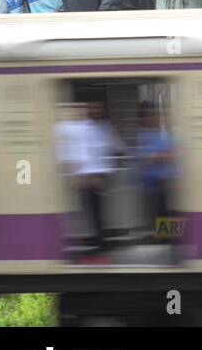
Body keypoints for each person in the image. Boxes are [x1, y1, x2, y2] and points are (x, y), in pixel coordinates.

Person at [54, 100, 125, 262]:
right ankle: (97, 239)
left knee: (94, 210)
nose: (86, 112)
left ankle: (100, 241)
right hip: (90, 174)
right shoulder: (78, 127)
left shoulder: (89, 127)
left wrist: (90, 175)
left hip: (93, 174)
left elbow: (92, 151)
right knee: (91, 210)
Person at [135, 101, 178, 244]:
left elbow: (174, 154)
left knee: (167, 210)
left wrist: (158, 156)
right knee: (157, 211)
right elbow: (144, 157)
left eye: (156, 116)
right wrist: (160, 156)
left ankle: (169, 240)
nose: (154, 119)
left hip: (166, 179)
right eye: (150, 116)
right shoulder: (143, 135)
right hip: (152, 181)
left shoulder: (167, 135)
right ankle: (163, 239)